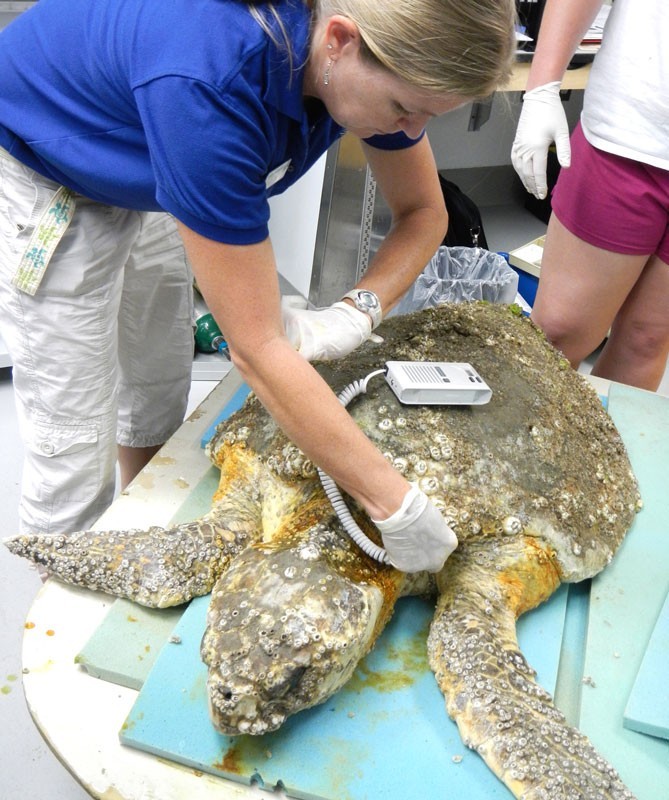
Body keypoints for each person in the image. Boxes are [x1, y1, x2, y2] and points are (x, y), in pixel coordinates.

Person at [0, 0, 515, 573]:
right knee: (72, 433)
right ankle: (57, 622)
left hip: (153, 141)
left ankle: (143, 532)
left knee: (156, 381)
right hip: (50, 156)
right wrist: (393, 504)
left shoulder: (356, 59)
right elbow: (256, 349)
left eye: (429, 116)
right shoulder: (211, 84)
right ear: (339, 42)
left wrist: (357, 311)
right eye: (403, 108)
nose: (411, 132)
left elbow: (424, 212)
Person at [511, 0, 669, 392]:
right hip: (630, 130)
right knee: (558, 334)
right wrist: (542, 88)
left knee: (647, 340)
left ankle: (603, 453)